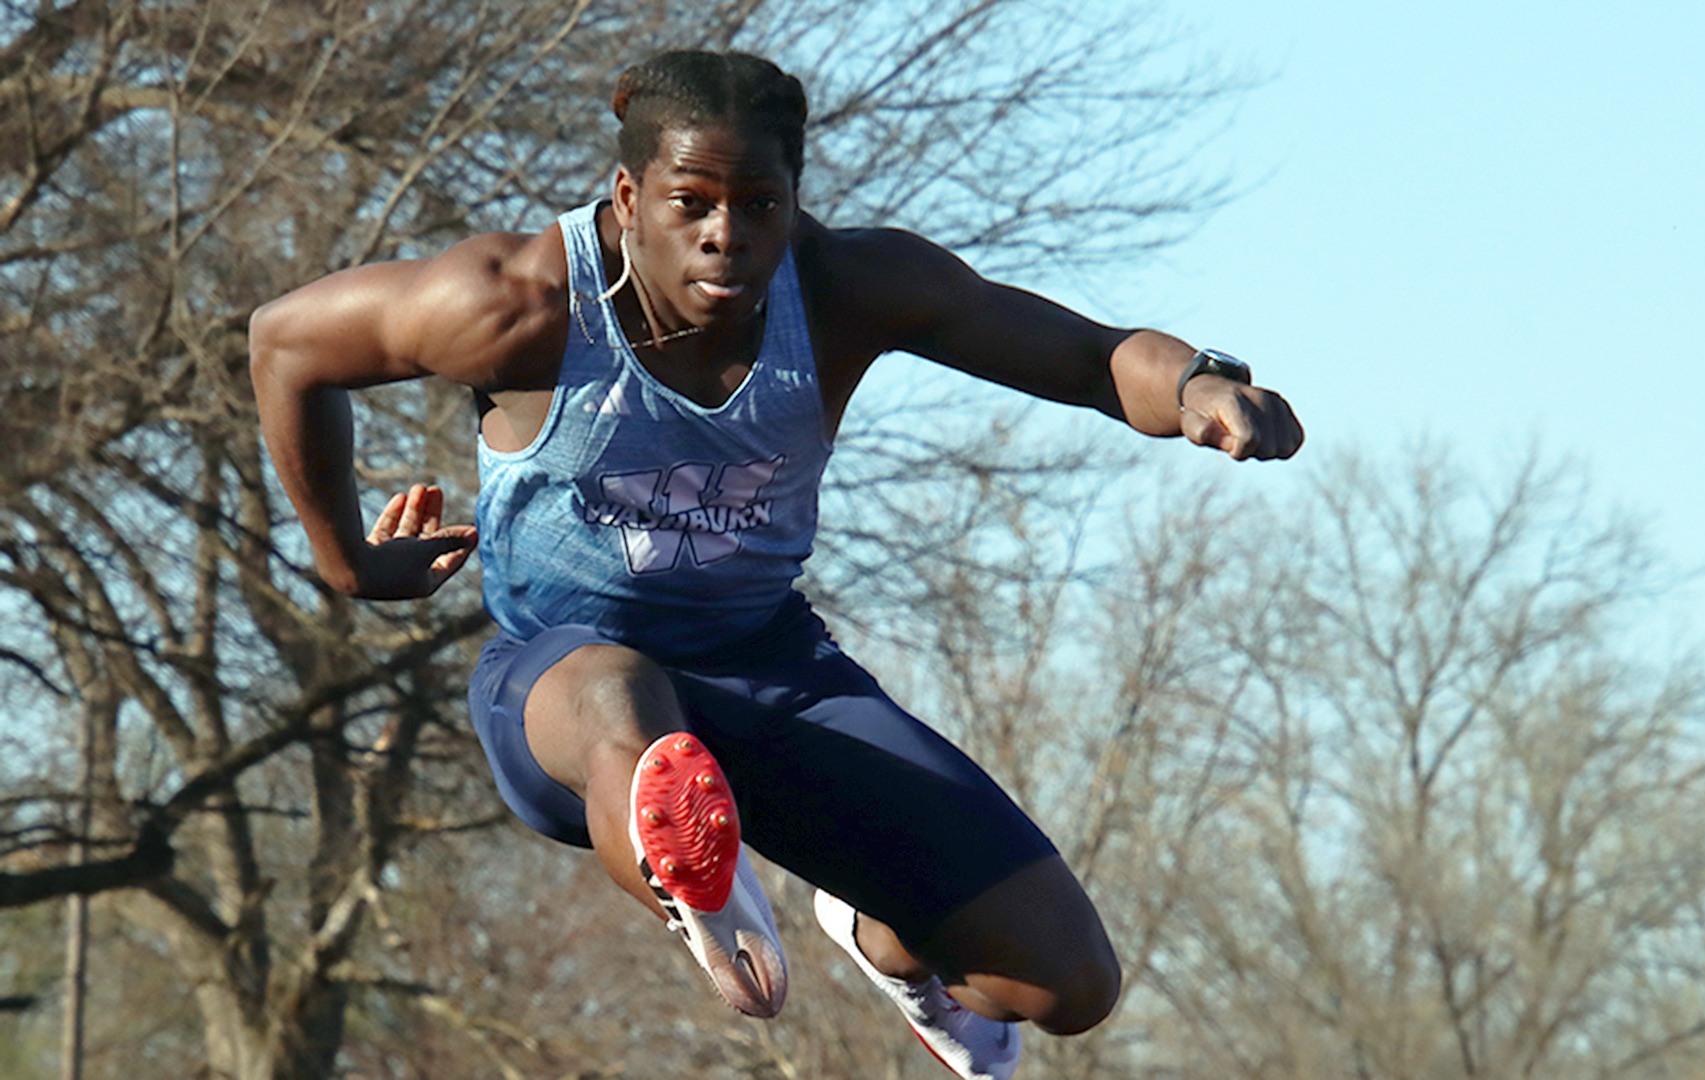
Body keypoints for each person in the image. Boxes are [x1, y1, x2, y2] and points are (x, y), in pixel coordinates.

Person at [249, 49, 1301, 1079]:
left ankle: (878, 934)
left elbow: (1086, 353)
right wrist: (345, 562)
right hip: (559, 682)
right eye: (690, 203)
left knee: (1068, 984)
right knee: (626, 700)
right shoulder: (517, 303)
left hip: (774, 671)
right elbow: (287, 342)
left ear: (794, 201)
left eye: (759, 205)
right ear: (627, 196)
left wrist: (1201, 386)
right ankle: (695, 883)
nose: (726, 237)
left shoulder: (845, 287)